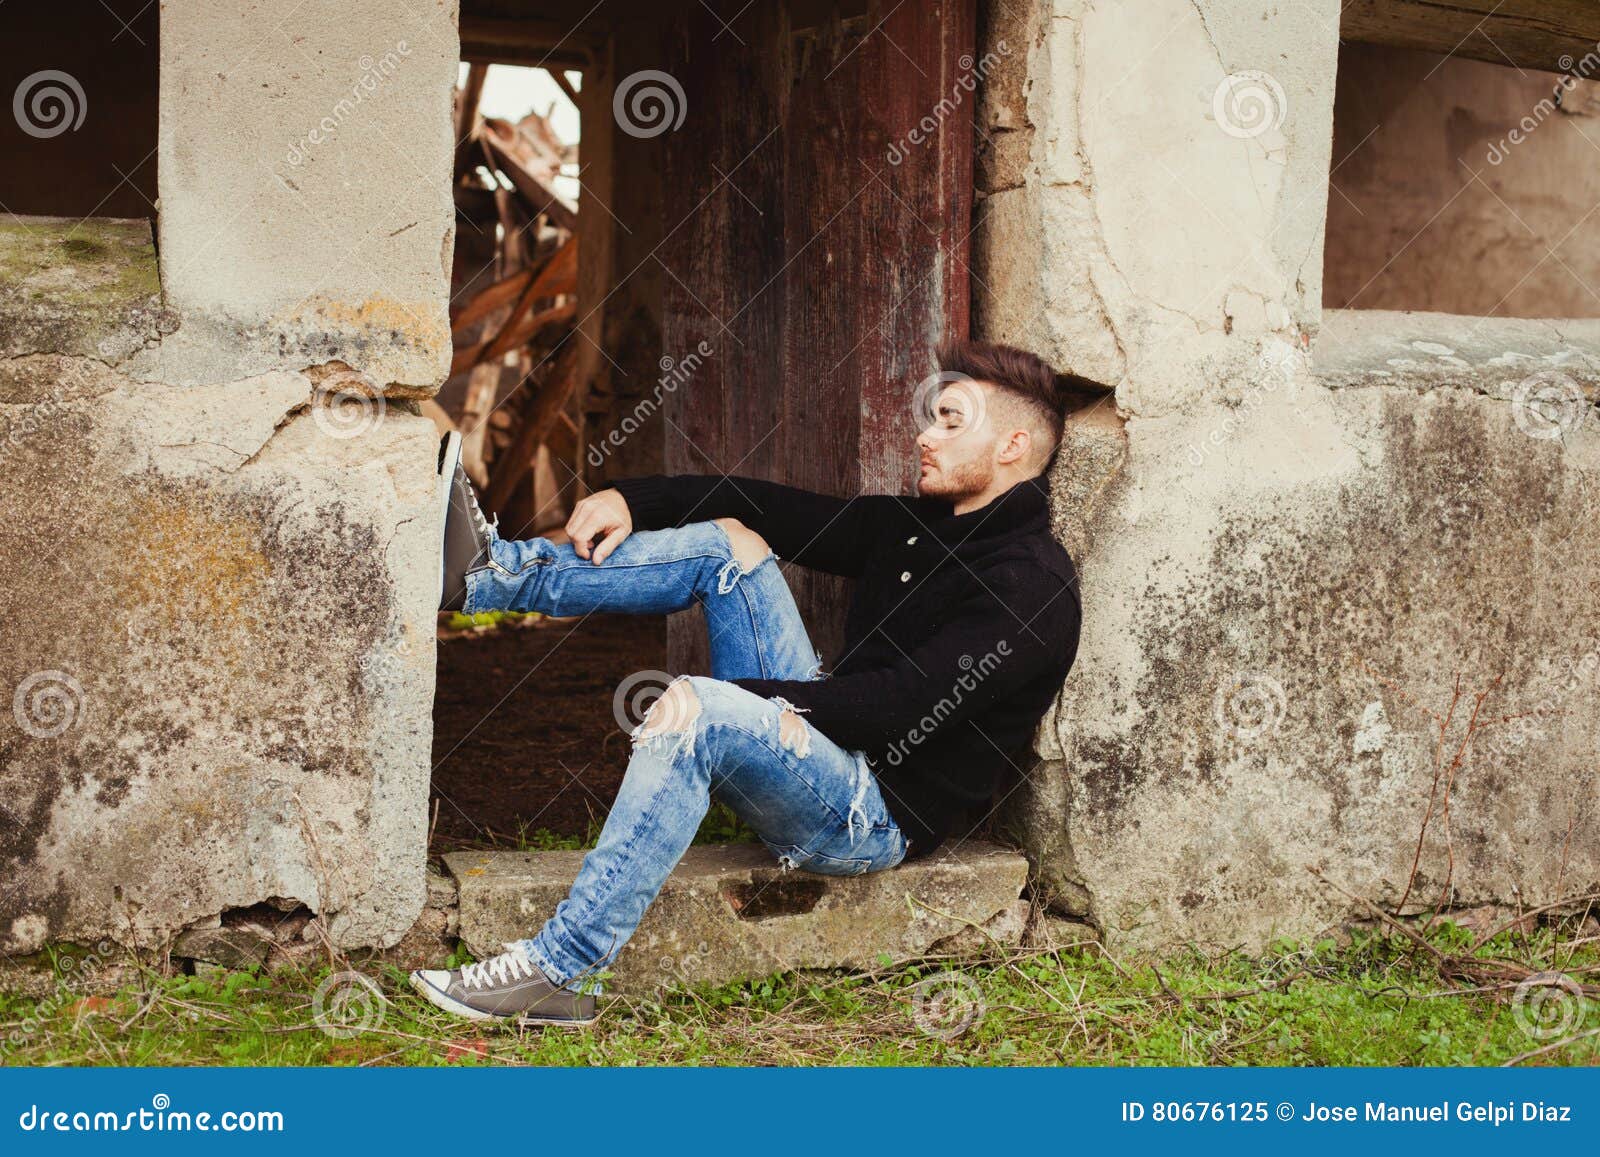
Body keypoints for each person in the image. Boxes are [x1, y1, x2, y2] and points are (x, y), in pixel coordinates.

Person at [410, 339, 1085, 1025]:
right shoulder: (917, 528)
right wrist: (630, 498)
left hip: (870, 814)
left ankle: (561, 968)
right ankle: (484, 574)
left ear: (1011, 445)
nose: (923, 435)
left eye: (948, 421)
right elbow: (761, 505)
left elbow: (901, 705)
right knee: (728, 542)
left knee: (701, 709)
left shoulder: (1031, 585)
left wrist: (751, 703)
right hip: (828, 745)